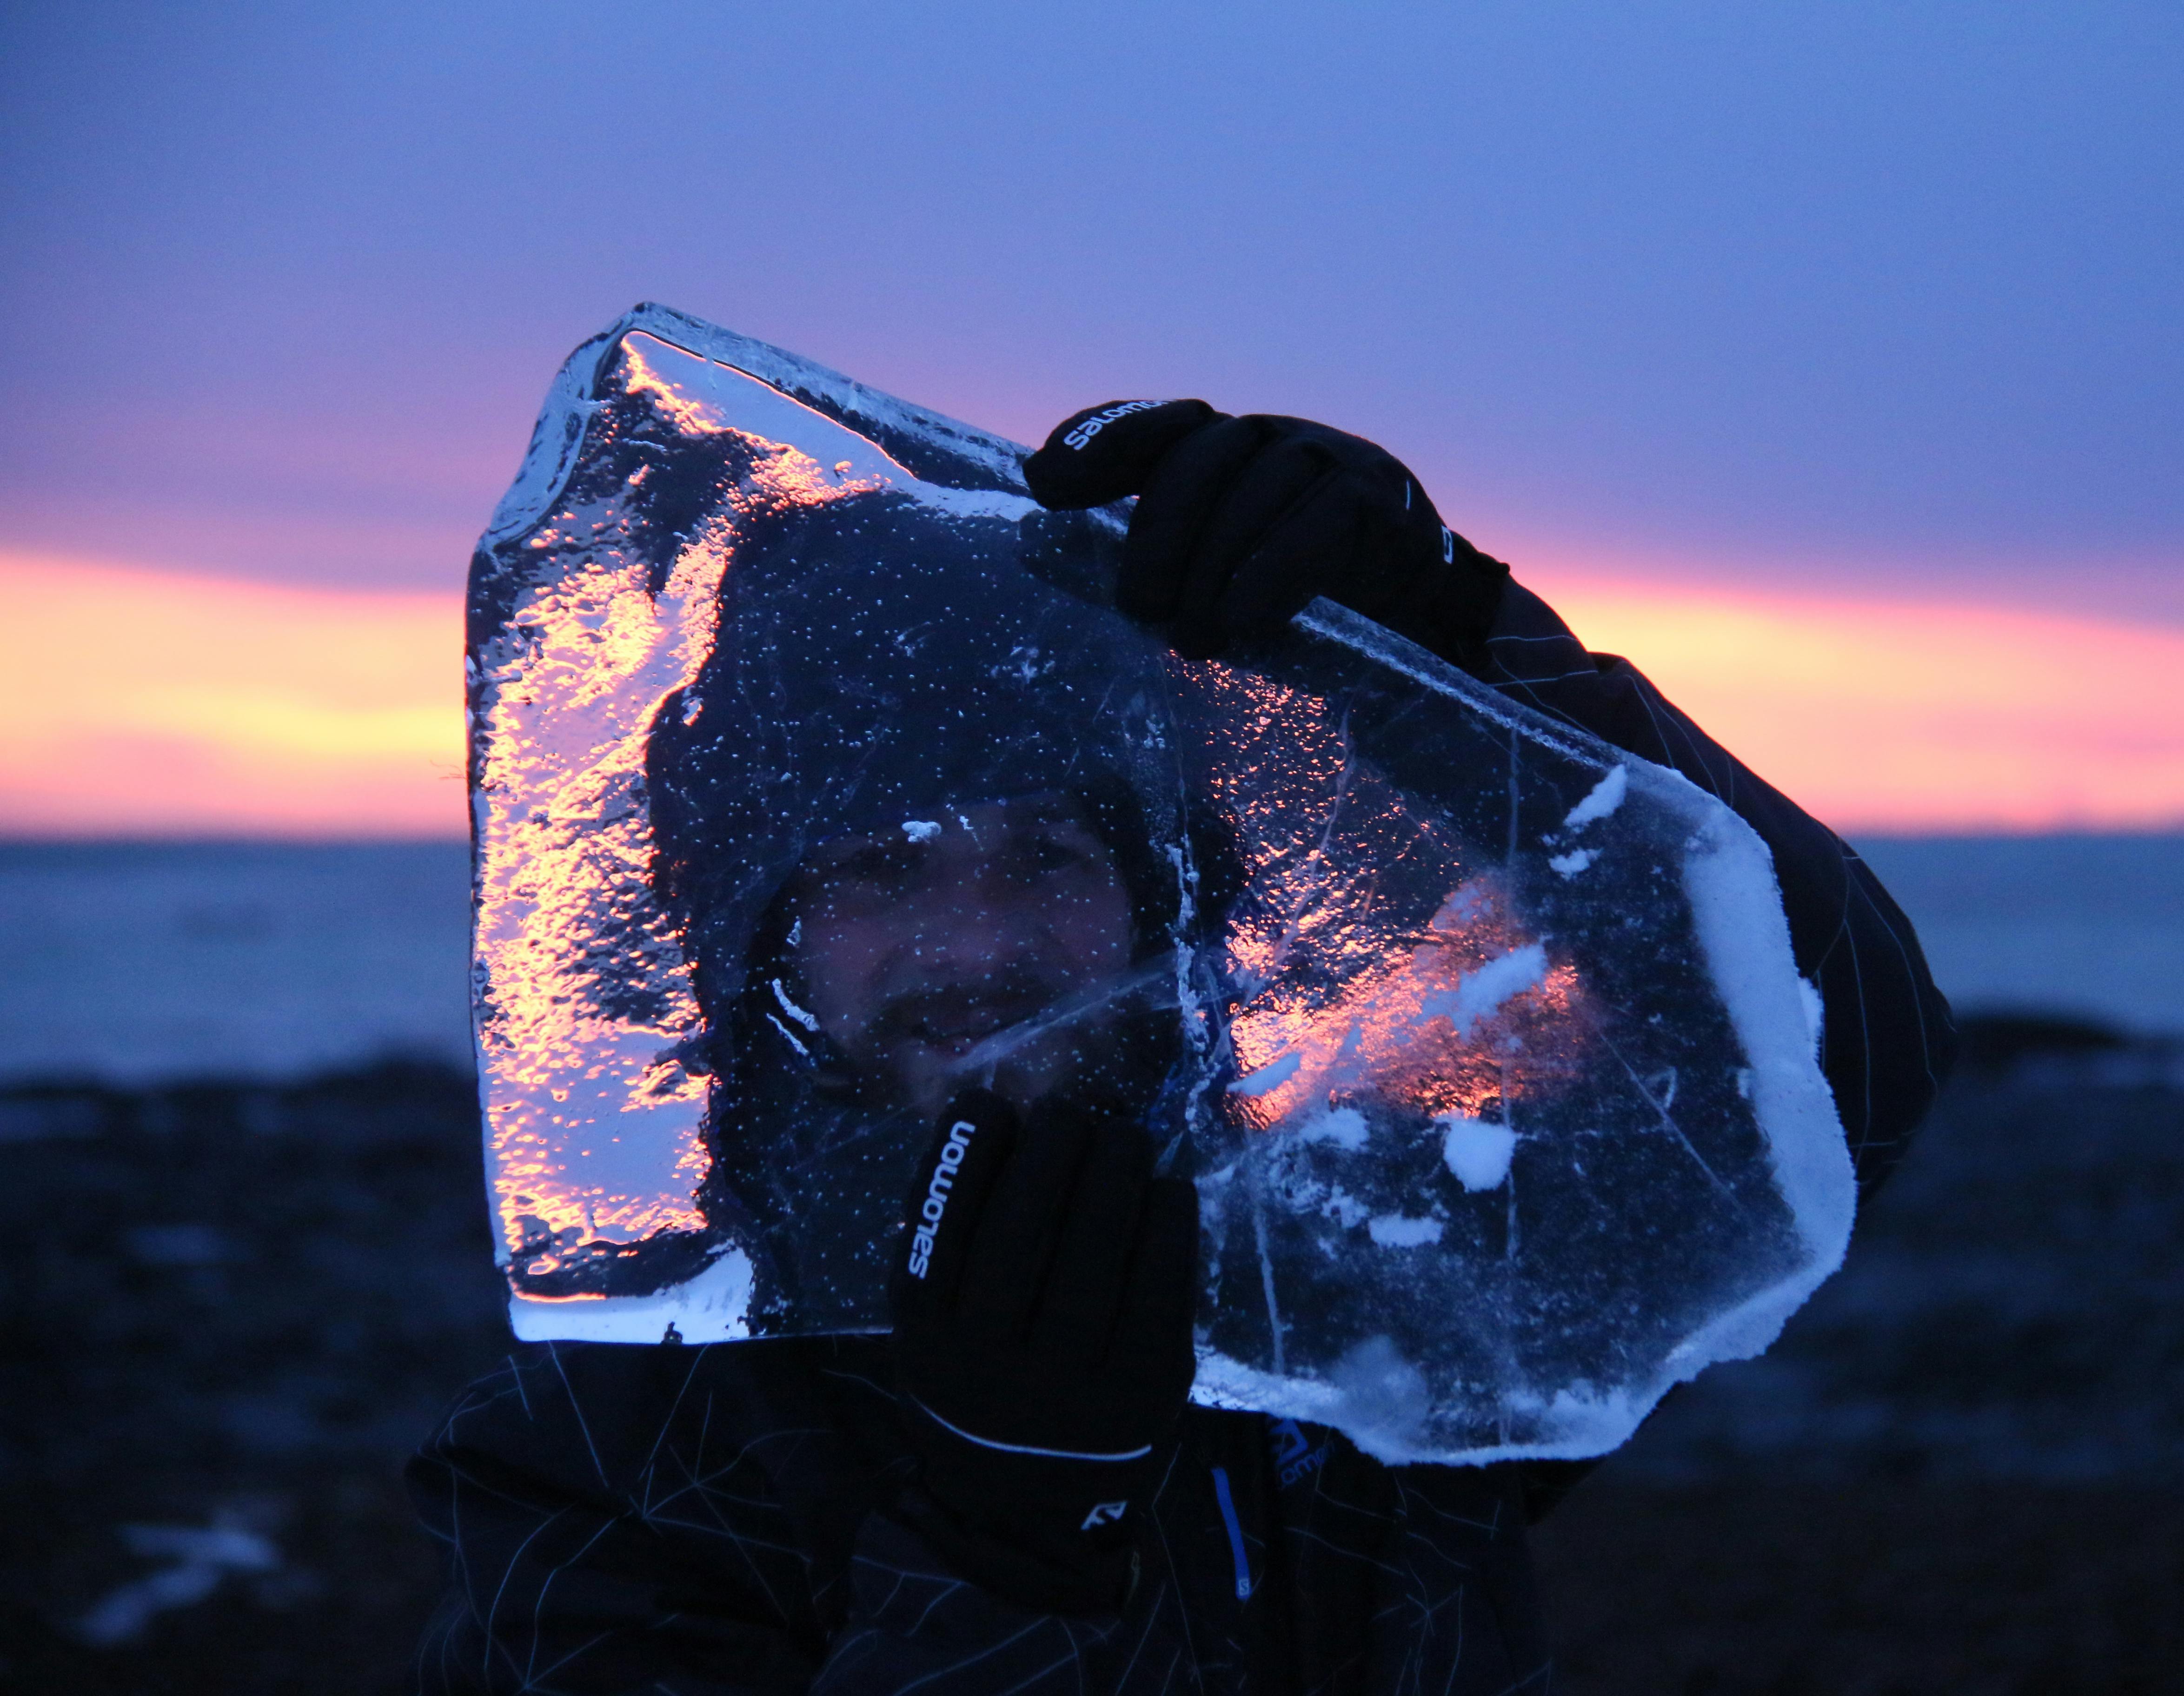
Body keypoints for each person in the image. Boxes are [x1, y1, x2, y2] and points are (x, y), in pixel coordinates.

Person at [409, 401, 1956, 1694]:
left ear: (1167, 906)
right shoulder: (619, 1461)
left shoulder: (1343, 1285)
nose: (977, 948)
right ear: (765, 934)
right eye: (880, 868)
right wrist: (1007, 1545)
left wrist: (1444, 648)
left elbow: (1832, 1058)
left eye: (1047, 858)